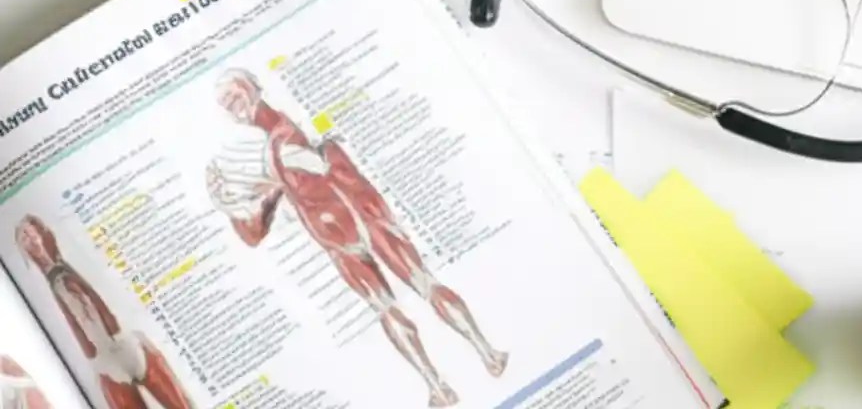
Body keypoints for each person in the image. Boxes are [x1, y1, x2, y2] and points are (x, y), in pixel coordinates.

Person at [205, 69, 507, 407]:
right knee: (389, 303)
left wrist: (271, 181)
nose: (232, 106)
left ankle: (480, 357)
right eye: (225, 102)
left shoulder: (281, 133)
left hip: (357, 220)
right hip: (339, 234)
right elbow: (270, 208)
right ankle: (443, 382)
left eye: (234, 95)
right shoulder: (273, 143)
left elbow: (311, 165)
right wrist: (249, 193)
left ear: (252, 88)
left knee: (419, 285)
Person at [15, 216, 193, 409]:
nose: (28, 237)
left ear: (42, 232)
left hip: (127, 343)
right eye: (23, 237)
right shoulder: (41, 283)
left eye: (30, 231)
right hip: (104, 363)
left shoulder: (71, 255)